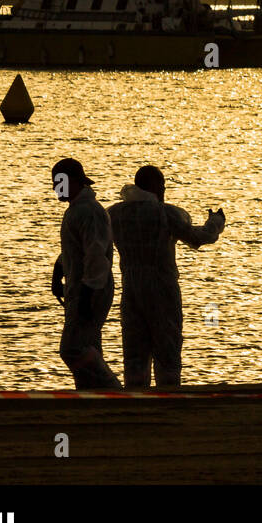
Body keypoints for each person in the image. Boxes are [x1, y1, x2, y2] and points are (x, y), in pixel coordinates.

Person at [107, 165, 226, 387]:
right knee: (168, 347)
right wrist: (216, 223)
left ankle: (135, 400)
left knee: (134, 350)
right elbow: (197, 238)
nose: (164, 191)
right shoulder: (166, 213)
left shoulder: (115, 214)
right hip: (163, 288)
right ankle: (169, 398)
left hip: (131, 288)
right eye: (162, 186)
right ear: (154, 187)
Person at [49, 158, 121, 389]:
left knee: (72, 347)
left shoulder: (89, 212)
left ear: (74, 182)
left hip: (91, 288)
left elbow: (96, 255)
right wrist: (59, 270)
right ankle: (89, 393)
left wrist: (88, 293)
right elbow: (77, 250)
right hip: (81, 286)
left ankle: (110, 387)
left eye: (59, 182)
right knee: (88, 343)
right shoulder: (77, 211)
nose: (55, 188)